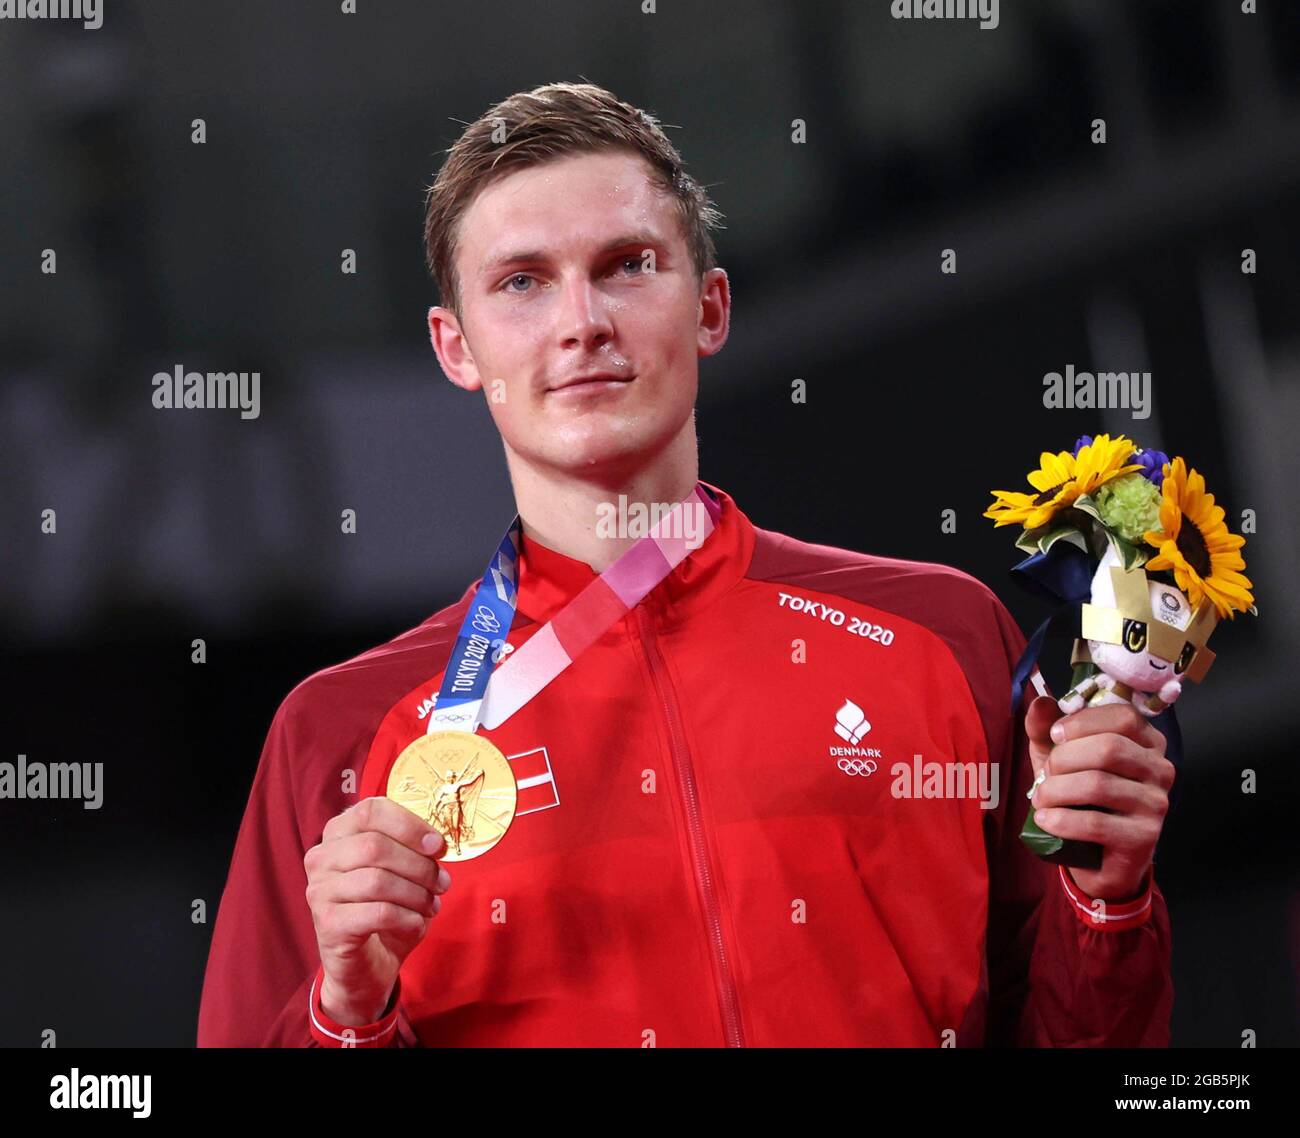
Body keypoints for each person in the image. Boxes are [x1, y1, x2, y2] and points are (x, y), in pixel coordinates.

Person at [196, 81, 1174, 1048]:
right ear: (456, 348)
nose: (582, 323)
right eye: (522, 282)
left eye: (626, 265)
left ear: (709, 306)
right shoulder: (340, 737)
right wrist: (344, 1015)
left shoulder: (942, 635)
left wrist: (1106, 900)